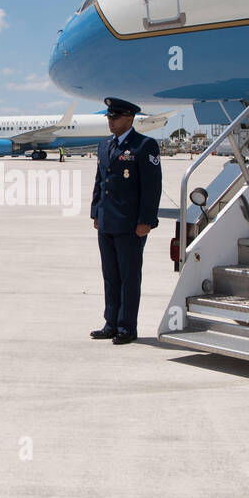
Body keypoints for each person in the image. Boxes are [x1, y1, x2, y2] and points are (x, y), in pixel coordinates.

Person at [89, 97, 161, 345]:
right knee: (110, 276)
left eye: (115, 117)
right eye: (109, 117)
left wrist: (146, 221)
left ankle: (127, 327)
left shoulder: (144, 145)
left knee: (129, 277)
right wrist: (96, 212)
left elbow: (152, 187)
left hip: (131, 225)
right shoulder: (105, 145)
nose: (110, 121)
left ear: (129, 119)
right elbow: (101, 182)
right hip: (107, 222)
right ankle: (111, 323)